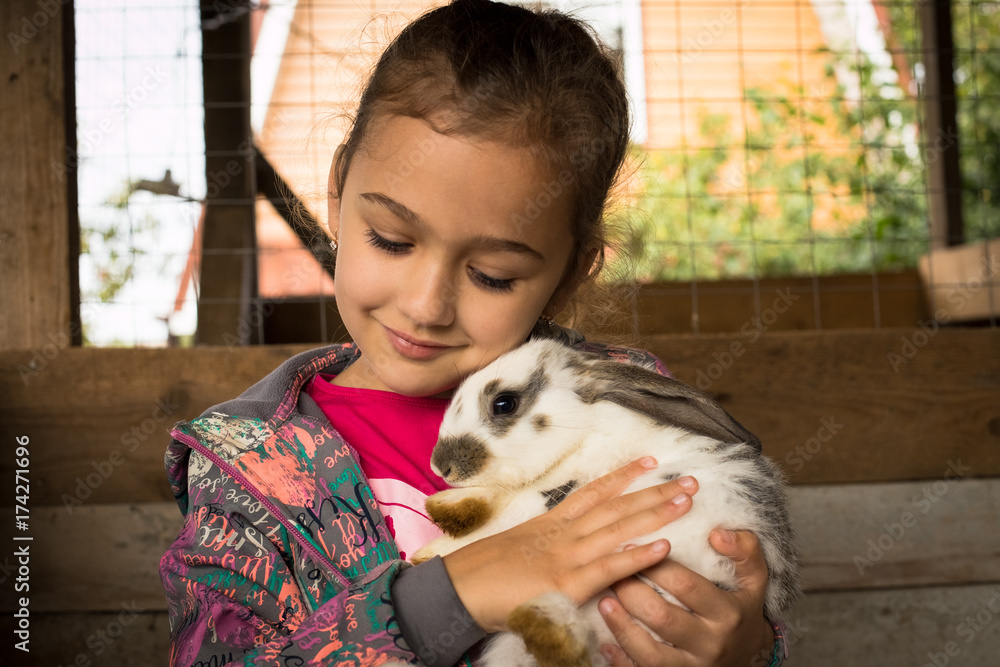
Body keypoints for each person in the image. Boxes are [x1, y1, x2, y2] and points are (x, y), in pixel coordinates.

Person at [160, 1, 787, 665]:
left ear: (570, 273)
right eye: (391, 239)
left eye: (491, 275)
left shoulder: (629, 413)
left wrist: (745, 649)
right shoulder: (247, 468)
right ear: (340, 190)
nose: (427, 305)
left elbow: (716, 602)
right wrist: (453, 593)